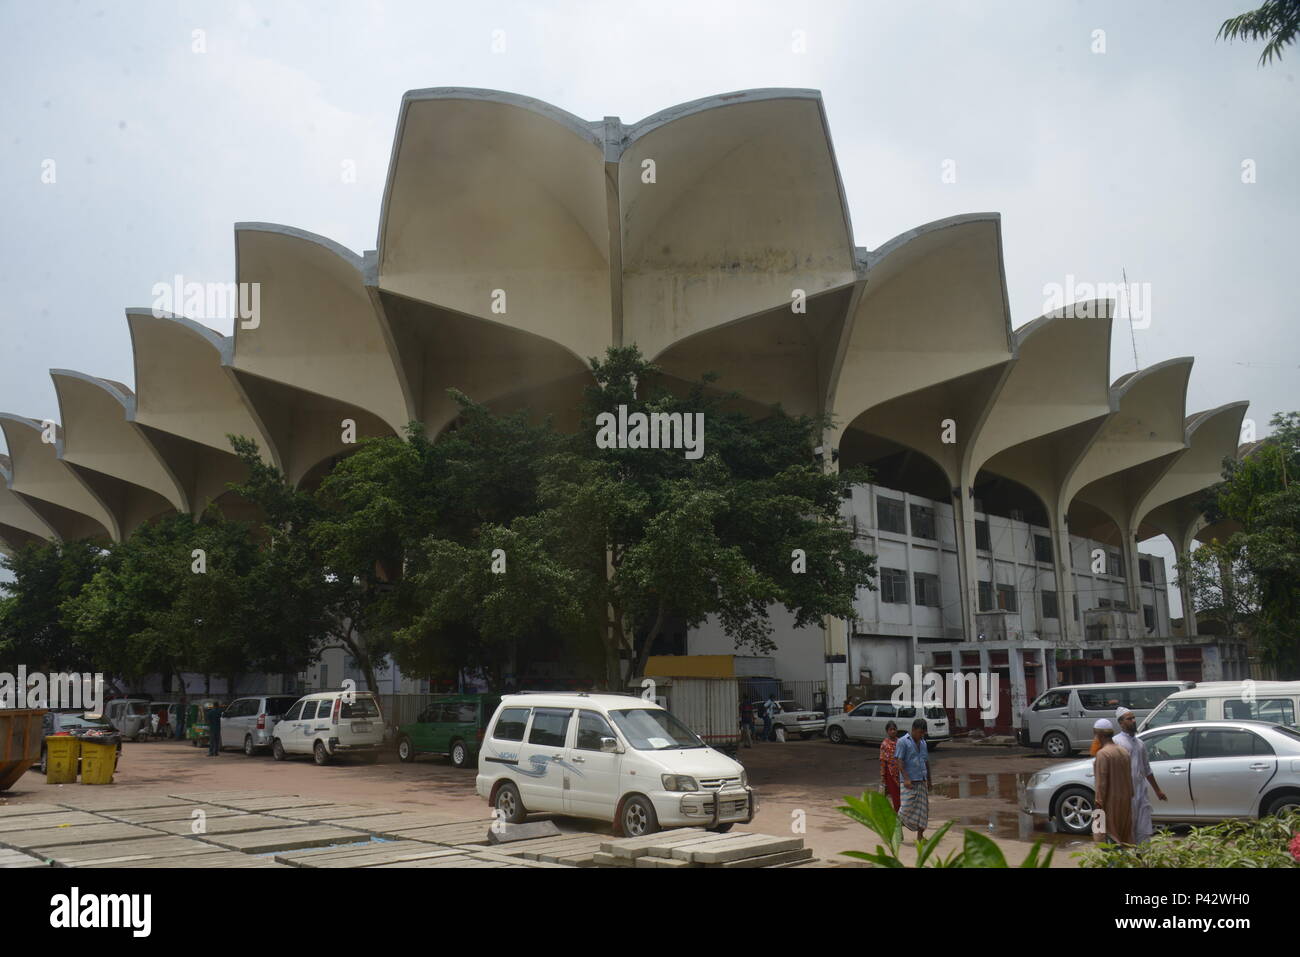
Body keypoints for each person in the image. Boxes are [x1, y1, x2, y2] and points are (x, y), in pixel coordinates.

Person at [1114, 706, 1166, 844]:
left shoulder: (1140, 744)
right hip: (1125, 795)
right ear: (1121, 723)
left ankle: (1143, 857)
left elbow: (1146, 769)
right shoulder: (1116, 742)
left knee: (1143, 828)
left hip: (1140, 793)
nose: (1133, 720)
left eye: (1133, 718)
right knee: (1127, 828)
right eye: (1129, 718)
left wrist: (1158, 790)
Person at [1091, 718, 1134, 844]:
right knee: (1124, 835)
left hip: (1108, 804)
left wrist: (1098, 804)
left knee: (1105, 838)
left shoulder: (1103, 754)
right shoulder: (1123, 751)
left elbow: (1101, 783)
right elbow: (1129, 779)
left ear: (1098, 735)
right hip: (1125, 802)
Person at [895, 717, 930, 842]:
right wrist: (906, 778)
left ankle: (920, 836)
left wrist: (929, 780)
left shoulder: (923, 743)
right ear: (913, 730)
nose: (921, 735)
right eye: (920, 732)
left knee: (923, 811)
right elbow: (899, 761)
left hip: (921, 780)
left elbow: (926, 761)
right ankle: (897, 828)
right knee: (906, 809)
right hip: (909, 782)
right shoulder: (903, 742)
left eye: (923, 733)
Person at [879, 720, 901, 812]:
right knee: (894, 795)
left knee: (901, 794)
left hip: (900, 772)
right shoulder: (885, 744)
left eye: (894, 729)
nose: (892, 731)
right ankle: (897, 813)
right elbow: (883, 761)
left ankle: (901, 814)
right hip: (890, 772)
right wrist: (883, 776)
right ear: (887, 731)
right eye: (890, 729)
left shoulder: (900, 742)